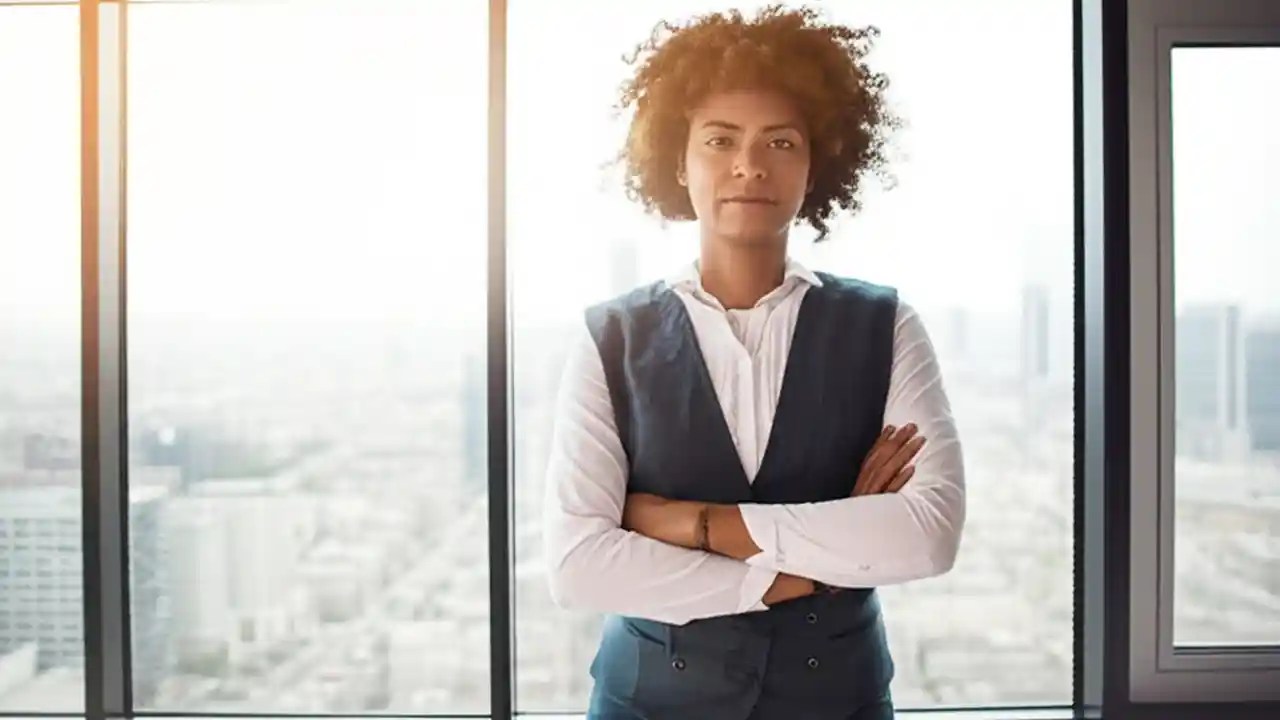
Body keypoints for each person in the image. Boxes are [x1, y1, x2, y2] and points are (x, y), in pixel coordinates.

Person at [542, 6, 966, 718]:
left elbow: (926, 535)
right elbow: (578, 564)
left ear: (815, 163)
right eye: (719, 140)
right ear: (678, 160)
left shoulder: (886, 325)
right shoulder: (610, 336)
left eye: (780, 141)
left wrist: (687, 523)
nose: (749, 163)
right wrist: (803, 569)